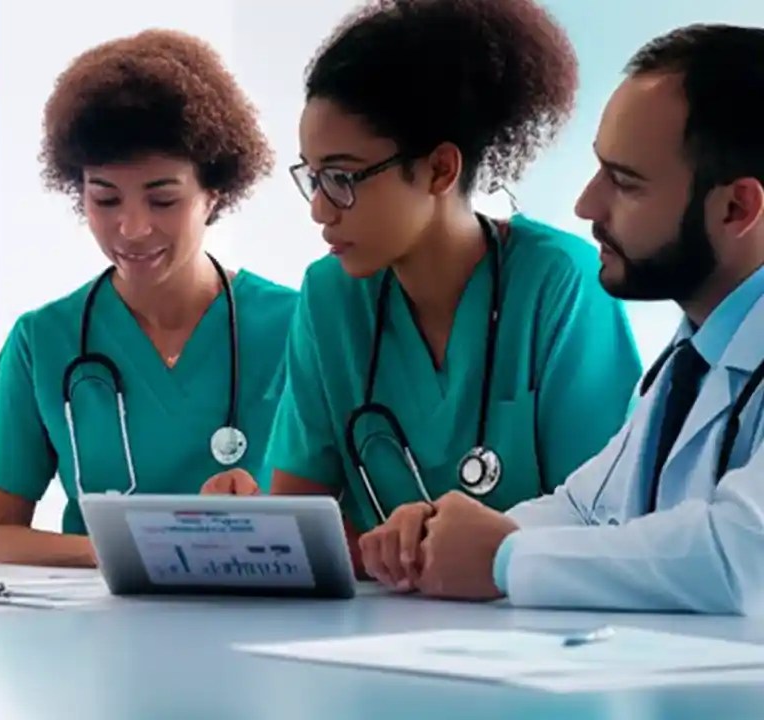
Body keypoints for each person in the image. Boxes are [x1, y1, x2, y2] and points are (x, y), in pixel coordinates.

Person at [203, 0, 641, 589]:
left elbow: (609, 521)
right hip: (369, 639)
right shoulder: (330, 296)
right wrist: (242, 521)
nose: (319, 208)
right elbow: (299, 523)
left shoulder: (559, 282)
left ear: (439, 170)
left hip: (537, 634)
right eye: (312, 176)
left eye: (343, 178)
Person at [412, 24, 764, 615]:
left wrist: (504, 561)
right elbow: (587, 509)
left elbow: (743, 556)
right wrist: (439, 534)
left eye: (624, 183)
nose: (586, 205)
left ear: (736, 208)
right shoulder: (692, 360)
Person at [0, 29, 297, 567]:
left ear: (215, 193)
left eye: (163, 199)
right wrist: (143, 549)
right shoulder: (44, 340)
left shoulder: (296, 328)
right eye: (104, 198)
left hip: (260, 621)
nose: (131, 228)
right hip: (99, 629)